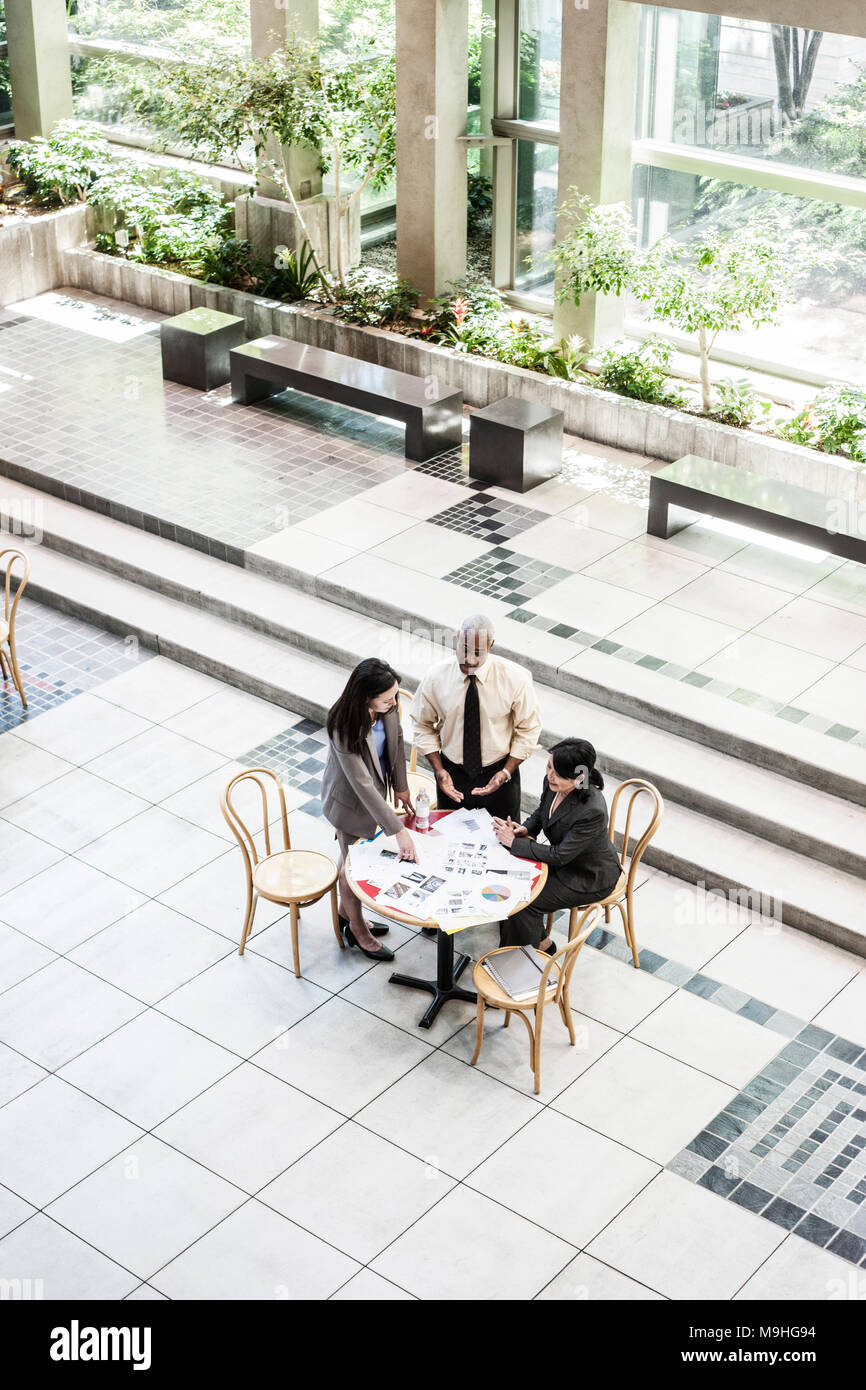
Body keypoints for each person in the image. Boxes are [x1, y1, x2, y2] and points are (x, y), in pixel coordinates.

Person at [321, 658, 416, 961]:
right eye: (387, 699)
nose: (393, 703)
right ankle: (358, 931)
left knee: (349, 856)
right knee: (353, 869)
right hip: (349, 804)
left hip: (375, 795)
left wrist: (400, 786)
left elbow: (397, 741)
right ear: (365, 697)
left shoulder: (388, 706)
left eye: (395, 696)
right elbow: (361, 783)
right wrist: (398, 830)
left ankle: (344, 913)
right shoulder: (342, 724)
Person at [492, 738, 623, 953]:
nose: (550, 776)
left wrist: (514, 843)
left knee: (525, 901)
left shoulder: (592, 810)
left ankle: (518, 961)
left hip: (587, 875)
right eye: (549, 767)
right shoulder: (553, 784)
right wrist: (524, 830)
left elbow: (560, 855)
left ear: (579, 777)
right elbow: (541, 813)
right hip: (563, 860)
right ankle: (541, 943)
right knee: (511, 881)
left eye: (559, 774)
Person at [412, 614, 542, 821]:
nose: (469, 659)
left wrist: (506, 772)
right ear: (457, 638)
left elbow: (529, 729)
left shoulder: (515, 678)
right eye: (464, 649)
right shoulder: (436, 677)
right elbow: (422, 725)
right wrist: (439, 770)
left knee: (505, 845)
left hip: (500, 775)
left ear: (490, 646)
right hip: (451, 775)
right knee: (448, 841)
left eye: (478, 653)